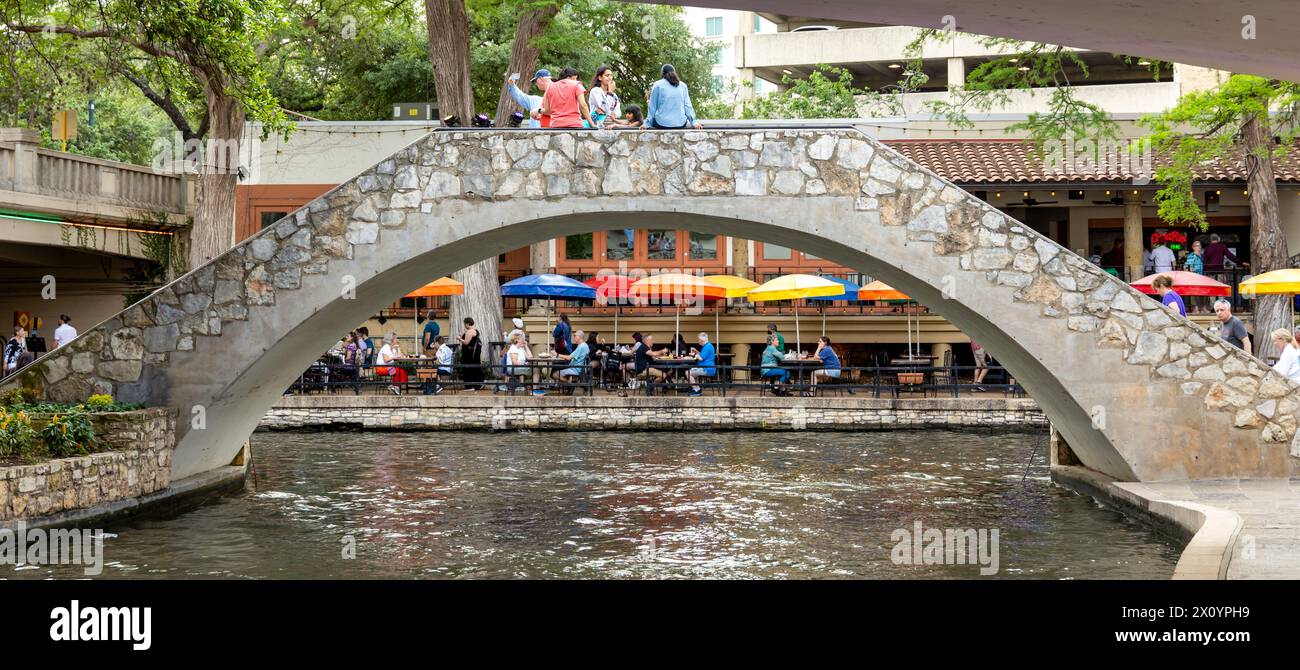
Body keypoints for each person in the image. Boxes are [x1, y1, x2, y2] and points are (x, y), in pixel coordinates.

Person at [645, 64, 700, 130]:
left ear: (662, 74)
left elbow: (652, 106)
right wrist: (694, 122)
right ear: (674, 73)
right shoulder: (683, 86)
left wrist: (646, 124)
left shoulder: (657, 85)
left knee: (654, 119)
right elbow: (688, 106)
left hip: (662, 124)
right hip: (680, 124)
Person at [686, 332, 716, 397]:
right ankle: (697, 389)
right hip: (706, 367)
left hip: (706, 369)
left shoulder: (707, 347)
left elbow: (701, 358)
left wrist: (694, 355)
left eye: (699, 340)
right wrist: (696, 352)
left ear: (702, 340)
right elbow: (703, 355)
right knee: (691, 371)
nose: (698, 341)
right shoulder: (707, 346)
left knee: (688, 373)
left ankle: (696, 390)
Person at [459, 317, 485, 390]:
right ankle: (478, 384)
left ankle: (470, 386)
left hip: (469, 355)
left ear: (467, 323)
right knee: (475, 368)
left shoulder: (470, 331)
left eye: (464, 323)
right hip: (474, 354)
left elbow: (466, 342)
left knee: (468, 369)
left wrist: (459, 339)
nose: (464, 325)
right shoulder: (475, 330)